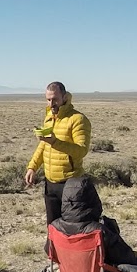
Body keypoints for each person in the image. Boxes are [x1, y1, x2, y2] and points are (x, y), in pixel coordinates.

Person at [25, 81, 92, 224]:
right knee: (53, 226)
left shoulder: (78, 120)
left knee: (72, 226)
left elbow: (81, 151)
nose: (51, 104)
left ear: (65, 97)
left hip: (71, 183)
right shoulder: (49, 118)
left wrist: (56, 142)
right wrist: (32, 167)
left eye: (55, 99)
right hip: (50, 183)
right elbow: (43, 145)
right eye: (48, 100)